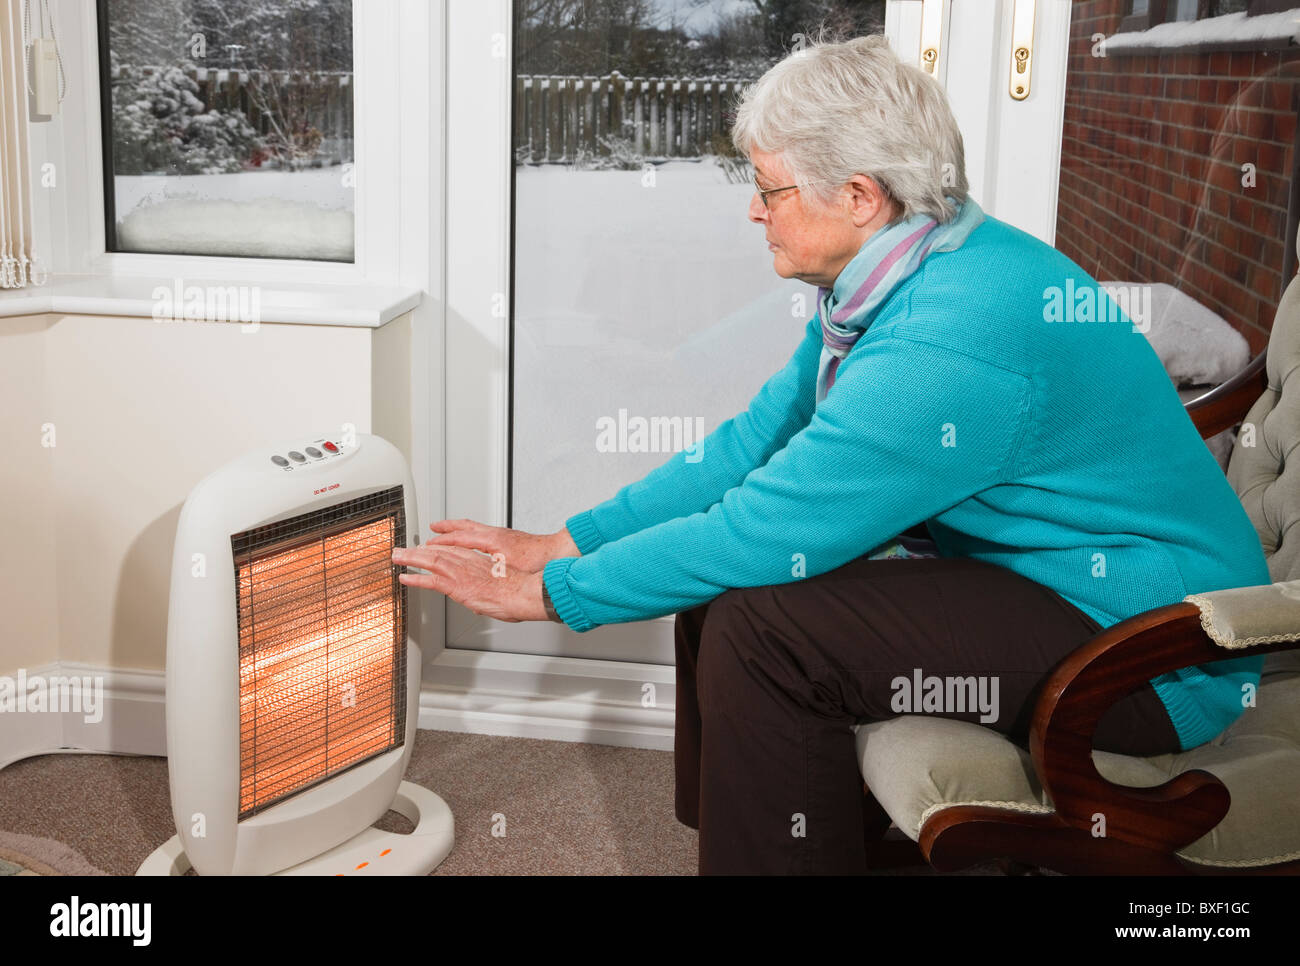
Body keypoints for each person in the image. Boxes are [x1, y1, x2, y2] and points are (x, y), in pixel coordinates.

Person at [392, 32, 1270, 875]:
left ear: (857, 196)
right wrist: (564, 542)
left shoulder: (949, 339)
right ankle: (773, 841)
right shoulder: (903, 271)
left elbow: (764, 525)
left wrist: (551, 594)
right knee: (723, 600)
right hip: (1060, 582)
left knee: (764, 629)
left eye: (770, 189)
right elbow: (754, 446)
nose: (753, 209)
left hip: (1160, 650)